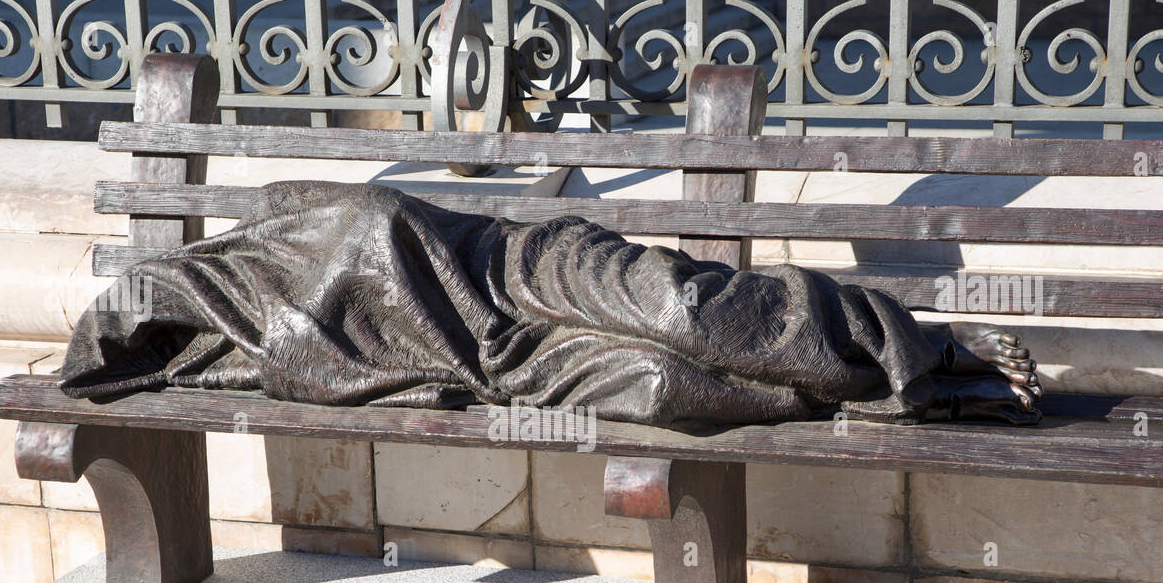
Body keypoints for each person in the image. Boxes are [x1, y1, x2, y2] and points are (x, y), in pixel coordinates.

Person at [60, 181, 1042, 428]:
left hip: (518, 267)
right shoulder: (241, 342)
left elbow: (384, 220)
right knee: (660, 384)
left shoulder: (268, 233)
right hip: (491, 351)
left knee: (677, 309)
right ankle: (872, 392)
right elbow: (100, 356)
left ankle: (929, 347)